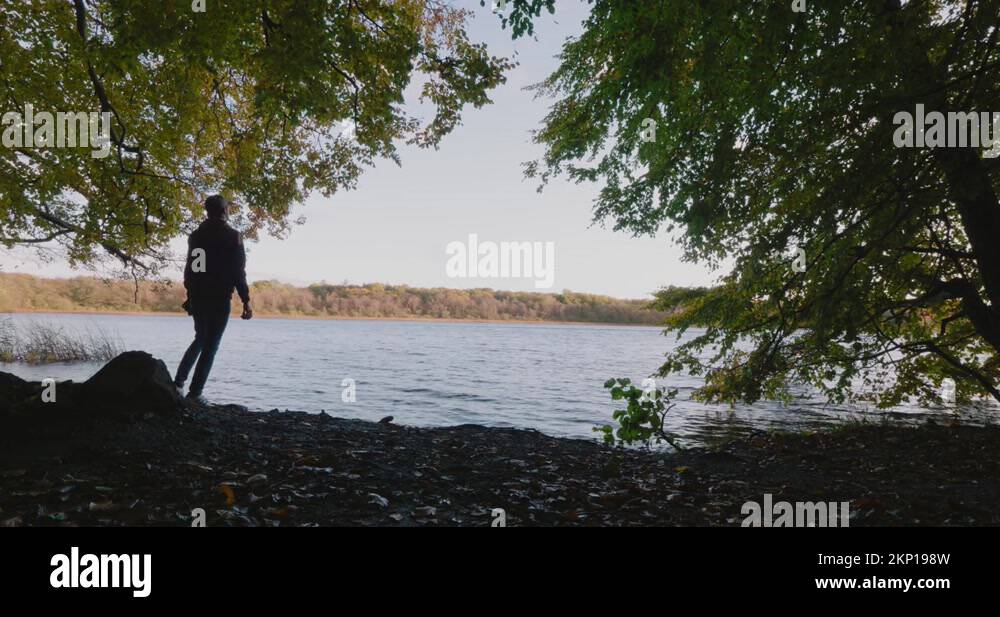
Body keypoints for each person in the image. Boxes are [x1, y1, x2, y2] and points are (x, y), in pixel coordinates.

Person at [174, 195, 253, 403]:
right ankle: (195, 393)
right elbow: (238, 271)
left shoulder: (197, 236)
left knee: (200, 338)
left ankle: (178, 383)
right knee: (211, 345)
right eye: (228, 208)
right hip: (219, 297)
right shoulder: (233, 236)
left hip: (199, 296)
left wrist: (191, 295)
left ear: (208, 212)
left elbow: (192, 269)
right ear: (224, 211)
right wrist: (246, 299)